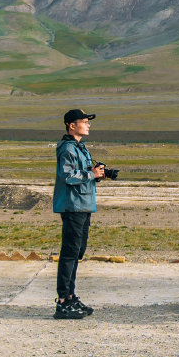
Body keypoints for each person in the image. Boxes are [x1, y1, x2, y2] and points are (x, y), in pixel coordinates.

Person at [52, 109, 116, 320]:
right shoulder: (68, 149)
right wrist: (91, 173)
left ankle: (70, 296)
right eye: (84, 121)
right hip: (73, 206)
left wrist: (98, 175)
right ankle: (63, 301)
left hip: (84, 205)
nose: (88, 125)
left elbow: (82, 175)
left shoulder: (81, 148)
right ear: (72, 125)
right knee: (69, 253)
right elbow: (67, 176)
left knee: (77, 251)